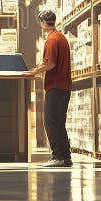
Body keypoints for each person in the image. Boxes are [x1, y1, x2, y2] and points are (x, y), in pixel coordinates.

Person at [24, 9, 72, 168]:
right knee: (59, 122)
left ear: (43, 23)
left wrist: (34, 71)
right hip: (64, 86)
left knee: (50, 121)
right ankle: (66, 157)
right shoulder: (62, 37)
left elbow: (50, 63)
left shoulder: (51, 40)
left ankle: (58, 157)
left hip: (56, 86)